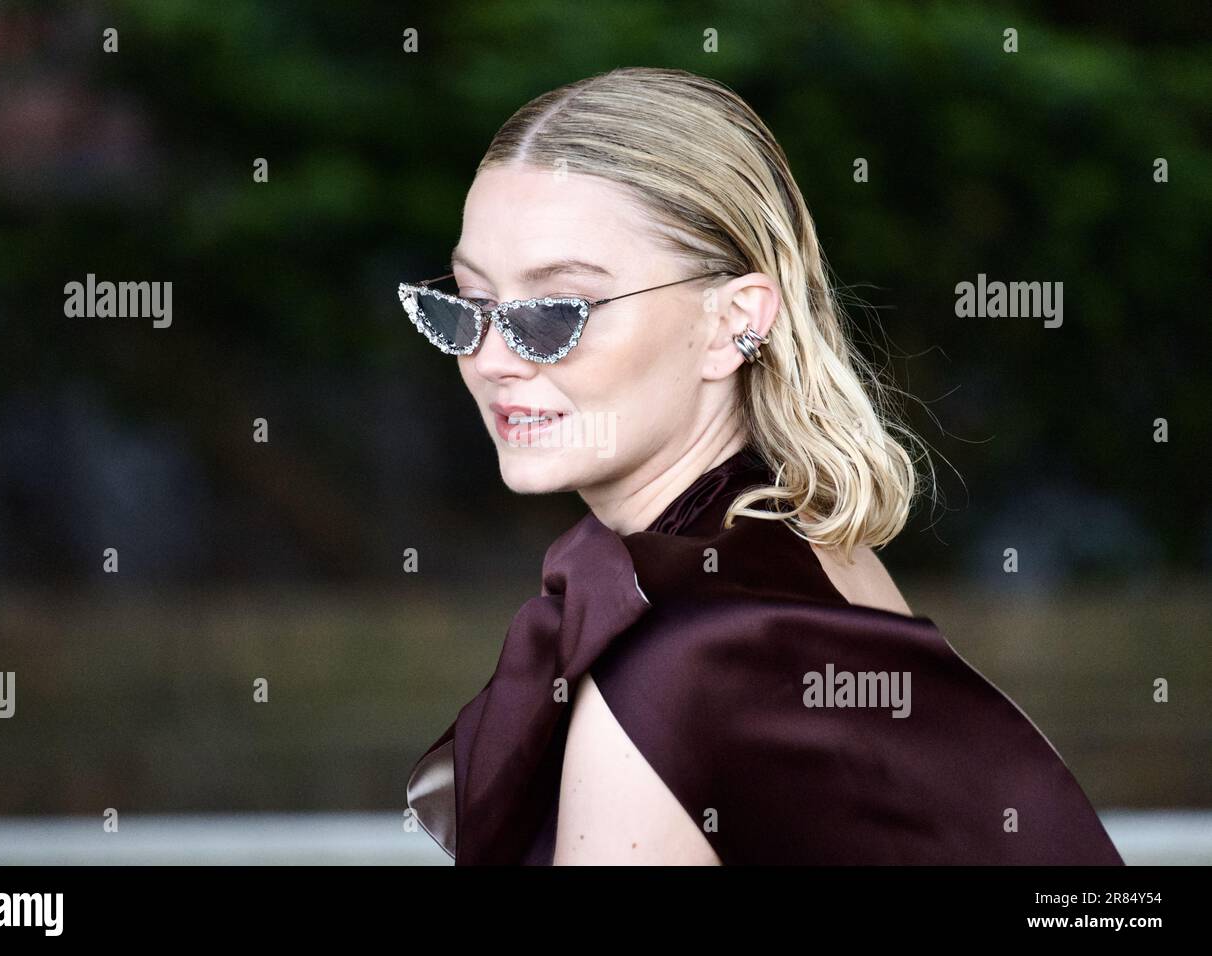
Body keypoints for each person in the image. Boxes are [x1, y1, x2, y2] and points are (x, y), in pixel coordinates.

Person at [399, 66, 1123, 866]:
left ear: (732, 322)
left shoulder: (676, 666)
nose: (493, 358)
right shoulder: (806, 552)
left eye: (553, 312)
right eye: (467, 303)